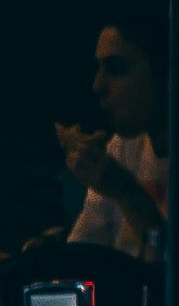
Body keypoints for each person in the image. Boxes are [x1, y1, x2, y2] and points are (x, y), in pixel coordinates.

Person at [59, 21, 172, 272]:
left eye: (116, 68)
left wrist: (127, 192)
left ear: (166, 73)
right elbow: (79, 258)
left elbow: (177, 275)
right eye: (99, 69)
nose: (97, 85)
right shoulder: (122, 147)